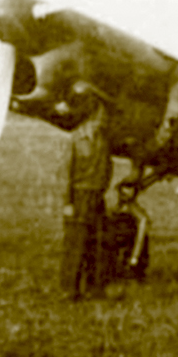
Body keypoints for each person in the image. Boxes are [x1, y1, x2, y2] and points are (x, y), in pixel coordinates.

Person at [56, 85, 112, 301]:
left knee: (96, 243)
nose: (102, 121)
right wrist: (68, 202)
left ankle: (94, 288)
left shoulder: (103, 141)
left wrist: (101, 191)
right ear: (89, 119)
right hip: (79, 196)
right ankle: (69, 289)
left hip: (97, 196)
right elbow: (65, 174)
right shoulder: (75, 139)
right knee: (74, 245)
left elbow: (107, 168)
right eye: (98, 118)